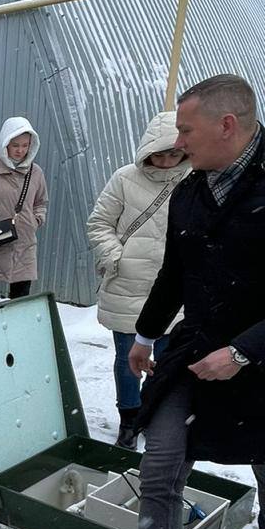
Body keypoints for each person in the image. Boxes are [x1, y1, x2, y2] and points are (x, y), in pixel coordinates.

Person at [85, 75, 265, 529]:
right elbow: (174, 273)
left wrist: (244, 352)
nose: (179, 141)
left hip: (259, 360)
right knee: (161, 470)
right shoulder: (190, 188)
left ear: (226, 125)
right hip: (192, 351)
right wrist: (144, 334)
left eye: (186, 130)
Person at [86, 112, 191, 448]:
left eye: (173, 153)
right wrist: (117, 257)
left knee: (163, 357)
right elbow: (99, 223)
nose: (165, 161)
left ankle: (149, 412)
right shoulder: (124, 178)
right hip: (127, 286)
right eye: (158, 154)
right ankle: (128, 420)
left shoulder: (194, 179)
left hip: (172, 291)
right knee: (128, 357)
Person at [0, 117, 48, 299]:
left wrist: (36, 219)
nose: (20, 150)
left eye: (25, 145)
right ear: (4, 143)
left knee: (20, 301)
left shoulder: (36, 172)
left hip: (25, 244)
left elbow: (41, 201)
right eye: (15, 145)